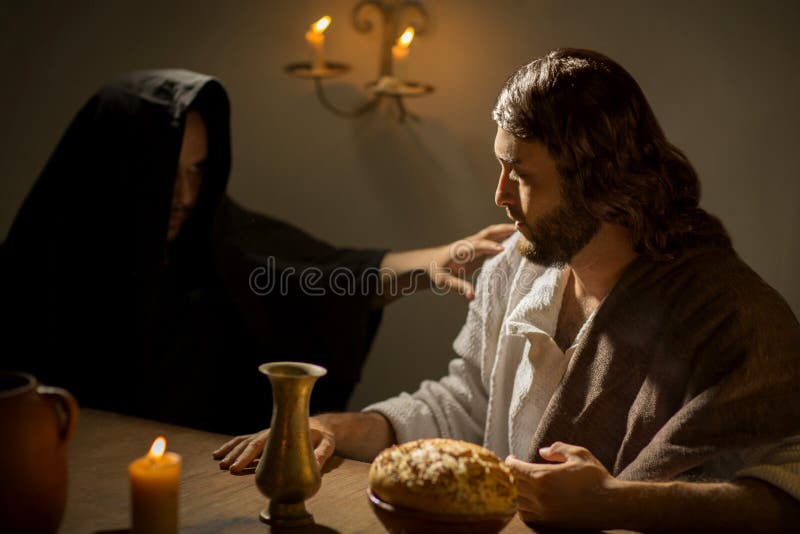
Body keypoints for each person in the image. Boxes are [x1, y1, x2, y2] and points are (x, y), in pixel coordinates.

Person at [214, 49, 800, 531]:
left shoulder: (734, 317)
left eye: (520, 176)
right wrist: (334, 429)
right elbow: (465, 407)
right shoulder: (515, 270)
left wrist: (615, 502)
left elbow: (786, 494)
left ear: (601, 183)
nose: (499, 195)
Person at [0, 69, 513, 435]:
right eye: (166, 175)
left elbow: (315, 279)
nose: (183, 196)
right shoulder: (47, 256)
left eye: (197, 171)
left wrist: (429, 263)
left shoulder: (214, 234)